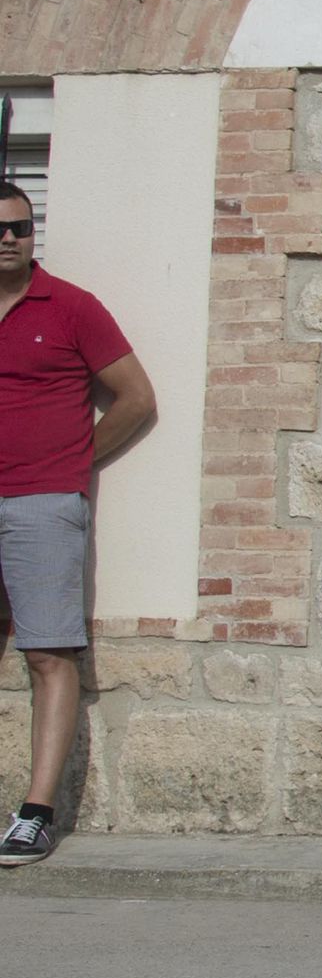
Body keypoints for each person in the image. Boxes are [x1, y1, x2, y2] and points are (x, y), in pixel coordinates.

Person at [0, 183, 155, 866]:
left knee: (48, 653)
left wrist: (71, 463)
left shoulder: (71, 308)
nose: (10, 238)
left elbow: (136, 398)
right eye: (0, 228)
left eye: (20, 228)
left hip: (41, 503)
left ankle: (37, 812)